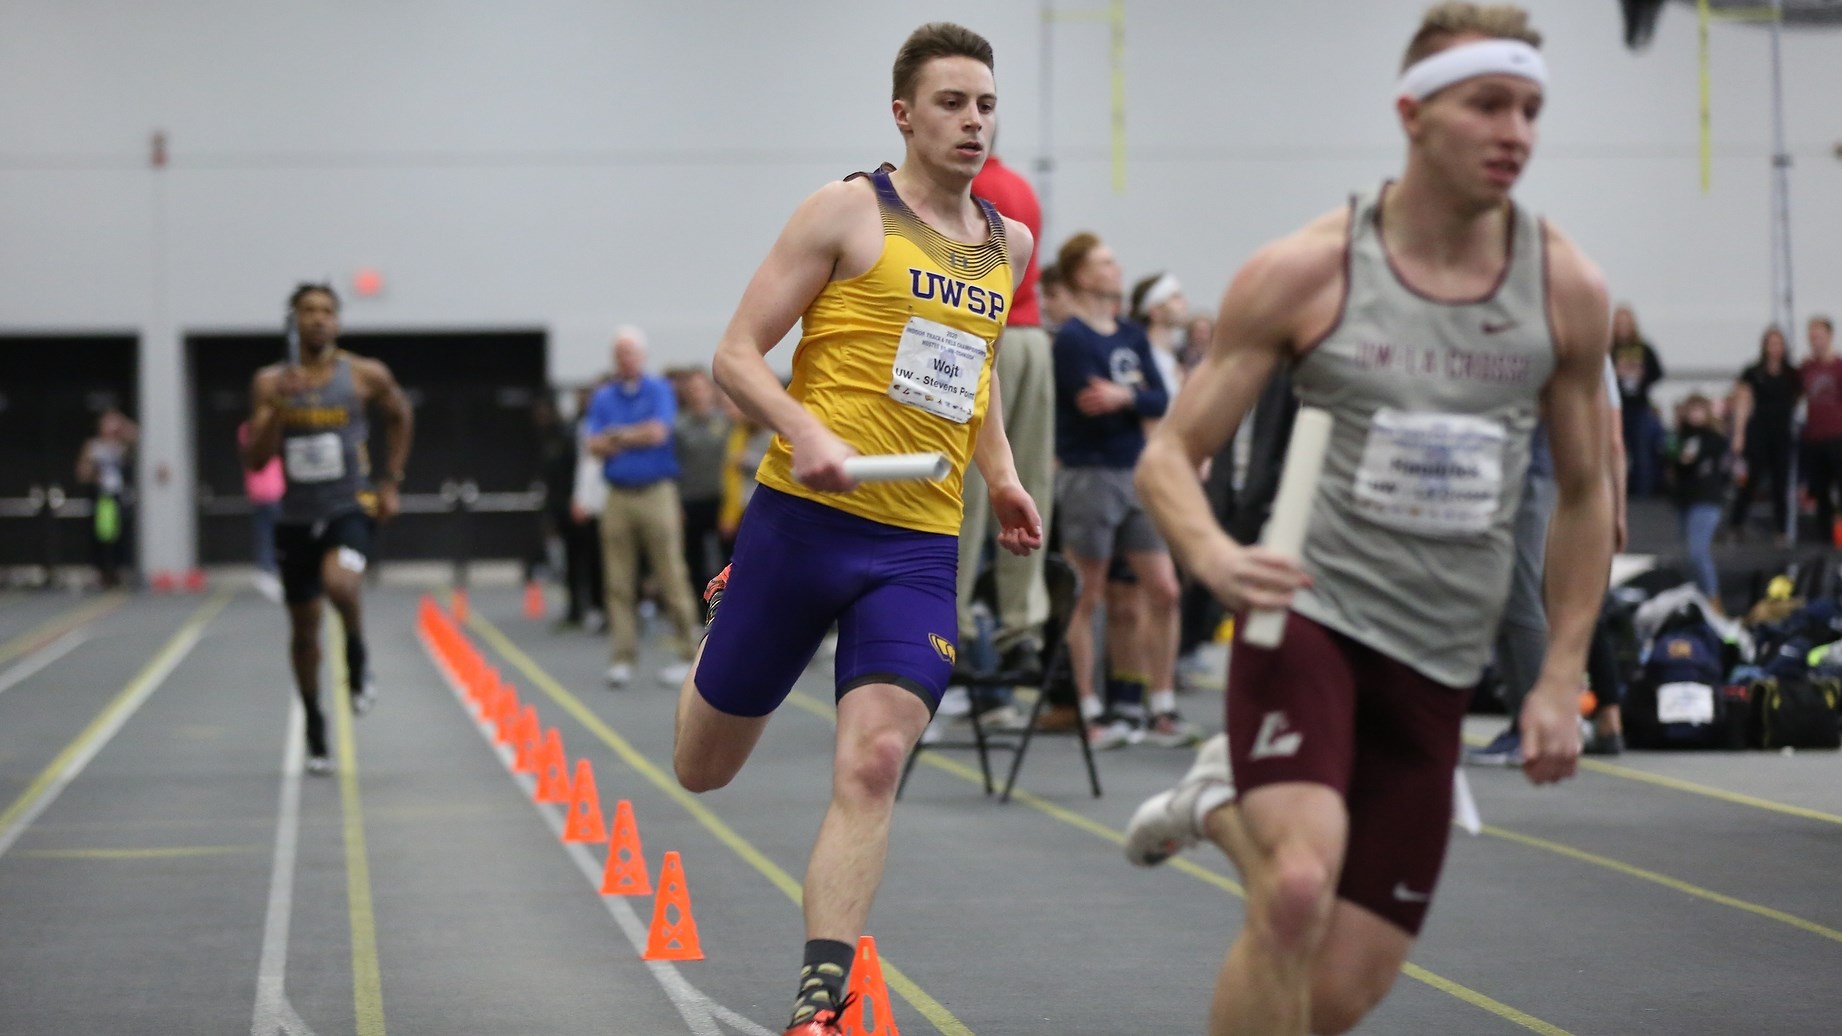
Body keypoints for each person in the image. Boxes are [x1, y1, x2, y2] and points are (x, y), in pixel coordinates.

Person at [1122, 7, 1612, 1034]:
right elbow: (1170, 451)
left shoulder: (1563, 287)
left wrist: (1561, 674)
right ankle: (1248, 798)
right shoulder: (1309, 269)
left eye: (1530, 108)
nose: (1515, 130)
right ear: (1413, 114)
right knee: (1295, 892)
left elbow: (1582, 491)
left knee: (1341, 993)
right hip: (1308, 614)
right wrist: (1213, 553)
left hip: (1440, 651)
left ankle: (1217, 801)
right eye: (1487, 104)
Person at [668, 24, 1040, 1035]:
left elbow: (976, 372)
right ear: (904, 114)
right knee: (702, 767)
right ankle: (730, 614)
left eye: (986, 104)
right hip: (801, 523)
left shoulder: (1010, 244)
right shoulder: (846, 212)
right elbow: (735, 356)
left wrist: (1001, 477)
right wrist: (803, 427)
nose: (973, 120)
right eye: (953, 102)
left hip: (917, 545)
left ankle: (818, 1004)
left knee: (875, 761)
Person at [243, 283, 413, 776]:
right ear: (294, 321)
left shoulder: (364, 374)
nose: (318, 319)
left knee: (342, 582)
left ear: (337, 321)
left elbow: (401, 416)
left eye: (326, 311)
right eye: (308, 312)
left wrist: (391, 481)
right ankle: (315, 725)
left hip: (350, 506)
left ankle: (357, 654)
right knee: (304, 630)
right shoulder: (270, 382)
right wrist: (277, 408)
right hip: (295, 516)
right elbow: (255, 459)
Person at [1051, 231, 1192, 747]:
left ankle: (1161, 705)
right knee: (1088, 595)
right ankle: (1090, 708)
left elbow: (1158, 400)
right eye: (1105, 263)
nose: (1115, 269)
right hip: (1090, 472)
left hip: (1136, 471)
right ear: (1083, 275)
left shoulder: (1131, 334)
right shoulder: (1071, 339)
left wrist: (1123, 396)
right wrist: (1126, 398)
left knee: (1165, 589)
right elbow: (1089, 398)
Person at [955, 140, 1056, 683]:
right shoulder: (1022, 187)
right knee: (1030, 480)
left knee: (975, 486)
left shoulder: (971, 190)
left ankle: (954, 626)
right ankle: (1024, 628)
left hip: (989, 338)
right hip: (1034, 339)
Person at [584, 327, 702, 688]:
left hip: (657, 492)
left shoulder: (659, 390)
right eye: (620, 353)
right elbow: (593, 444)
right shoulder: (604, 396)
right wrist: (631, 436)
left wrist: (618, 436)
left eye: (631, 353)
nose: (626, 360)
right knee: (618, 580)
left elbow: (658, 433)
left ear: (642, 356)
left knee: (671, 575)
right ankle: (622, 657)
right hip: (618, 494)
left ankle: (689, 655)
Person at [1727, 325, 1800, 544]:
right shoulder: (1753, 372)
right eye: (1771, 343)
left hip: (1782, 431)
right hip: (1759, 429)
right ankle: (1736, 524)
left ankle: (1782, 530)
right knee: (1752, 477)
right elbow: (1743, 402)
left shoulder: (1792, 374)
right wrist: (1739, 433)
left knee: (1781, 481)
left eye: (1778, 344)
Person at [674, 367, 731, 603]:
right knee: (694, 558)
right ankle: (700, 608)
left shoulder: (725, 421)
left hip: (720, 498)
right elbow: (674, 466)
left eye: (701, 388)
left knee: (724, 557)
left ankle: (726, 607)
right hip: (691, 500)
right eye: (693, 389)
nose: (698, 394)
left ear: (710, 391)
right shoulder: (679, 427)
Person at [1671, 393, 1731, 606]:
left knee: (1698, 552)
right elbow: (1674, 462)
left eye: (1699, 410)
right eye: (1691, 410)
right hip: (1685, 501)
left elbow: (1717, 454)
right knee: (1688, 555)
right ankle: (1695, 600)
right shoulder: (1680, 437)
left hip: (1706, 500)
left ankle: (1713, 598)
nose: (1694, 415)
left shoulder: (1713, 437)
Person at [75, 408, 138, 589]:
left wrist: (120, 423)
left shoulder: (122, 445)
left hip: (119, 496)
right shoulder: (93, 446)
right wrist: (94, 473)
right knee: (103, 536)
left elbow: (136, 435)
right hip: (102, 497)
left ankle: (119, 570)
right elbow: (82, 472)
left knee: (121, 535)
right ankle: (103, 572)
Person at [1611, 304, 1665, 498]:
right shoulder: (1608, 349)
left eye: (1626, 323)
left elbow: (1658, 373)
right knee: (1613, 451)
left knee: (1641, 449)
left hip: (1638, 407)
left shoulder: (1644, 349)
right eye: (1619, 323)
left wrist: (1643, 376)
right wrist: (1615, 375)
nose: (1623, 327)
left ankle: (1644, 495)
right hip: (1614, 408)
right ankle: (1614, 493)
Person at [1799, 315, 1842, 544]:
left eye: (1819, 336)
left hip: (1837, 436)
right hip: (1815, 437)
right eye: (1811, 336)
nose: (1815, 341)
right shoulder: (1807, 367)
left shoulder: (1838, 366)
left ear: (1829, 336)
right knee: (1820, 492)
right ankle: (1825, 540)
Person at [237, 421, 286, 603]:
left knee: (267, 533)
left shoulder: (247, 430)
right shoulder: (254, 431)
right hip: (270, 492)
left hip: (263, 491)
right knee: (271, 533)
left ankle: (268, 570)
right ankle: (269, 570)